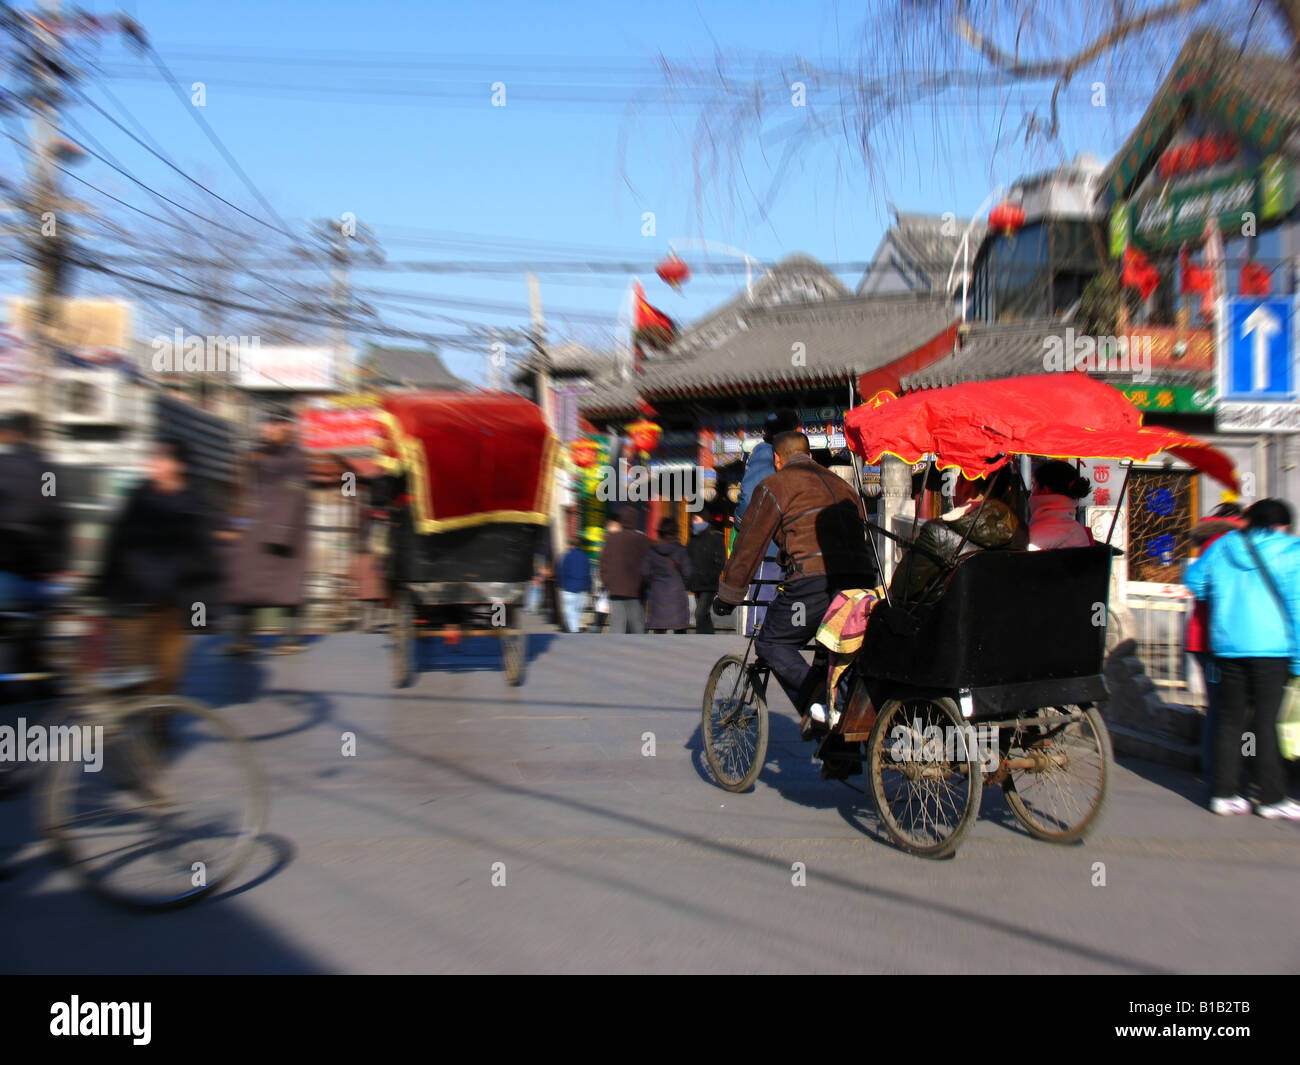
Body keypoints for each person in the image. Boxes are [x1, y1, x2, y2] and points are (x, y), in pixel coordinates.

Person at [713, 431, 874, 728]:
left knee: (773, 641)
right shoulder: (844, 486)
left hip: (813, 583)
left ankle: (819, 707)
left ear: (777, 460)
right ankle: (838, 737)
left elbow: (750, 544)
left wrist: (729, 594)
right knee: (831, 650)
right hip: (861, 583)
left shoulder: (776, 485)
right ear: (810, 456)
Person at [1185, 498, 1300, 820]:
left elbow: (1194, 580)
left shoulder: (1224, 546)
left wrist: (1220, 599)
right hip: (1272, 649)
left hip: (1226, 647)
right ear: (1283, 525)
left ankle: (1224, 795)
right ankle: (1271, 797)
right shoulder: (1292, 551)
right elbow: (1297, 605)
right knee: (1265, 722)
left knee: (1228, 719)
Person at [97, 437, 221, 701]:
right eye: (152, 458)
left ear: (179, 465)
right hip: (134, 601)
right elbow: (115, 544)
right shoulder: (138, 498)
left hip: (174, 607)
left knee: (168, 675)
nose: (153, 464)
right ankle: (125, 728)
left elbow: (206, 561)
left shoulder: (196, 504)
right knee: (131, 671)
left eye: (160, 458)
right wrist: (102, 588)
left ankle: (158, 730)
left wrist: (201, 614)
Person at [223, 408, 310, 655]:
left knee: (288, 590)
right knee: (243, 585)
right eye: (266, 425)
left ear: (286, 427)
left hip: (284, 534)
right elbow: (245, 491)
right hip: (259, 532)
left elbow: (292, 495)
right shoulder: (262, 456)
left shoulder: (296, 460)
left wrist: (278, 532)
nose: (266, 430)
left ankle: (290, 639)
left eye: (272, 425)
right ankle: (242, 639)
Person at [0, 412, 68, 698]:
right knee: (36, 620)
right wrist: (59, 564)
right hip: (36, 570)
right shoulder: (45, 470)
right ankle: (39, 676)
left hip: (6, 565)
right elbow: (55, 514)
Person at [890, 467, 1029, 603]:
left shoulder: (938, 533)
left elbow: (901, 589)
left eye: (957, 480)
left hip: (948, 621)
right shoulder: (1020, 531)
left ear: (967, 485)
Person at [1185, 502, 1245, 786]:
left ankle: (1218, 768)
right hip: (1212, 640)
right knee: (1223, 708)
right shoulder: (1228, 541)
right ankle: (1214, 769)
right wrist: (1223, 601)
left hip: (1206, 638)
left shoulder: (1212, 540)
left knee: (1220, 706)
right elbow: (1196, 581)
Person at [734, 409, 800, 636]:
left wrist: (743, 524)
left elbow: (749, 498)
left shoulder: (767, 453)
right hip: (776, 543)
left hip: (775, 542)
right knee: (766, 597)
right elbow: (753, 496)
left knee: (768, 597)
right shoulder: (768, 453)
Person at [599, 506, 650, 633]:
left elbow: (603, 564)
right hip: (635, 591)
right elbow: (647, 566)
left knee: (617, 626)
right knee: (637, 628)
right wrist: (644, 584)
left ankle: (617, 652)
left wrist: (608, 583)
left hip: (615, 590)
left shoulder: (611, 539)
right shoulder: (641, 539)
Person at [642, 517, 693, 633]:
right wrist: (682, 584)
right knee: (680, 635)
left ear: (660, 532)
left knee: (659, 636)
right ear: (676, 532)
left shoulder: (652, 551)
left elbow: (644, 572)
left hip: (657, 596)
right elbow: (688, 573)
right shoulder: (681, 550)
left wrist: (653, 584)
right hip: (677, 596)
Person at [1028, 460, 1093, 549]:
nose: (1032, 492)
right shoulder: (1074, 528)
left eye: (1033, 485)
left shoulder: (1041, 532)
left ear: (1045, 490)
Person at [686, 512, 727, 633]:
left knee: (700, 612)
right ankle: (709, 635)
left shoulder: (715, 537)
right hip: (696, 582)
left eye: (697, 519)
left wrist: (713, 574)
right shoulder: (693, 537)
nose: (694, 523)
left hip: (709, 583)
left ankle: (702, 636)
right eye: (693, 520)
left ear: (704, 520)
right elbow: (688, 557)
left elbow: (720, 559)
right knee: (703, 613)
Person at [556, 536, 594, 633]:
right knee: (577, 611)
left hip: (569, 588)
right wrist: (589, 586)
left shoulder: (567, 556)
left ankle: (574, 631)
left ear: (569, 545)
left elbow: (562, 572)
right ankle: (575, 629)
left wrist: (561, 584)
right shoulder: (585, 556)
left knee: (570, 611)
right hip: (583, 588)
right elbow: (589, 573)